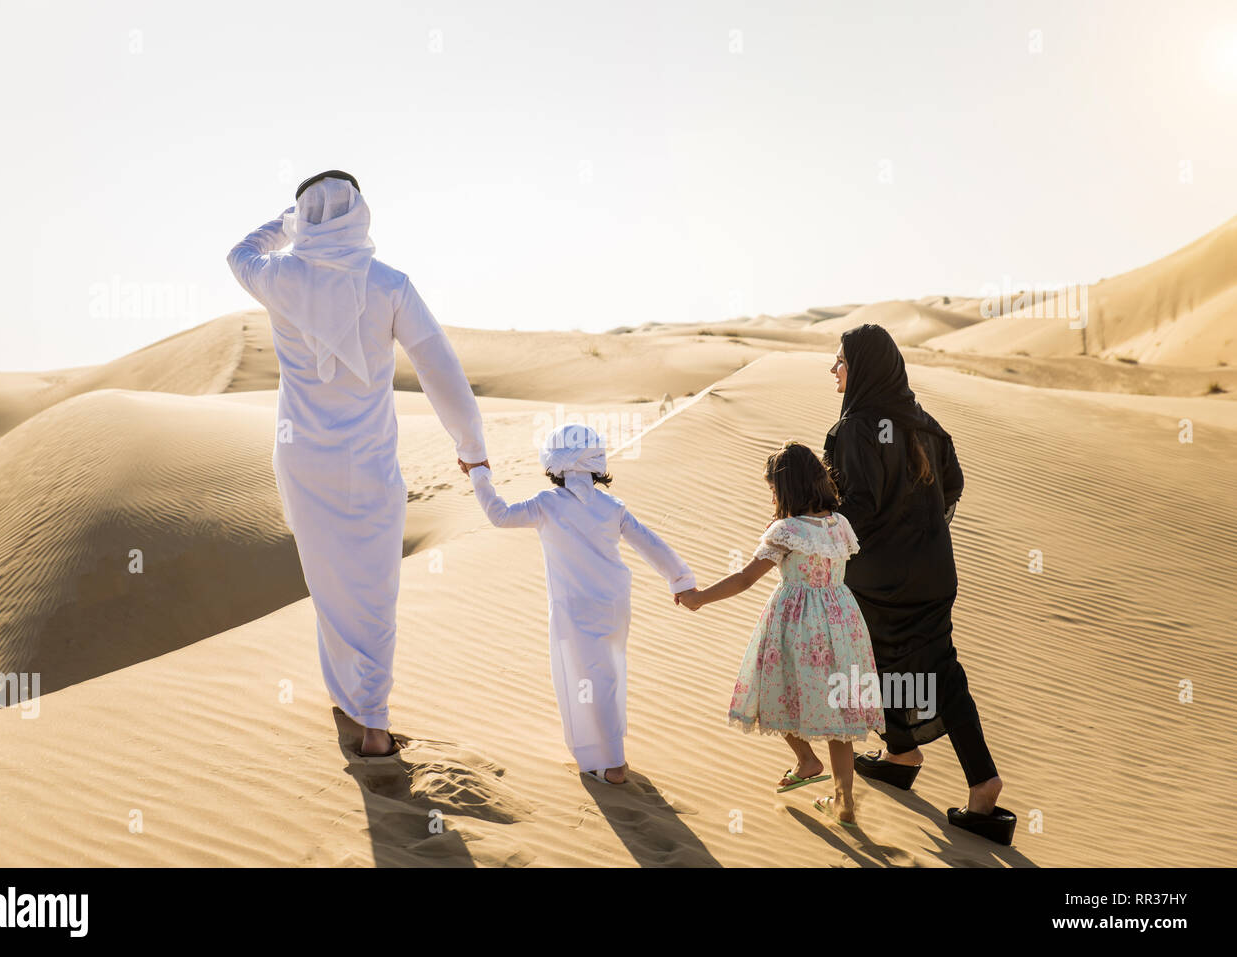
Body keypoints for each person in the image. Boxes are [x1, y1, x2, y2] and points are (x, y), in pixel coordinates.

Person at [227, 170, 488, 758]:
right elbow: (438, 366)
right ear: (361, 212)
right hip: (367, 461)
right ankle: (370, 717)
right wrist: (471, 446)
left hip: (302, 461)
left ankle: (355, 703)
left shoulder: (278, 276)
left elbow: (238, 251)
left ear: (305, 216)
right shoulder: (390, 284)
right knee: (373, 587)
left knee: (329, 581)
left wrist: (286, 225)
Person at [823, 323, 1014, 845]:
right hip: (933, 573)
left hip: (878, 581)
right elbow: (952, 485)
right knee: (935, 667)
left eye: (839, 361)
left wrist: (817, 534)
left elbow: (856, 506)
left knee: (870, 659)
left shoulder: (855, 429)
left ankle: (932, 762)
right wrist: (918, 522)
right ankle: (914, 757)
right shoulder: (925, 424)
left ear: (862, 367)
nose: (833, 371)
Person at [465, 424, 695, 785]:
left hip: (575, 608)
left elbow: (500, 515)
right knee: (608, 675)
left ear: (554, 463)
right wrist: (681, 581)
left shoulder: (546, 504)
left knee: (586, 679)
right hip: (615, 603)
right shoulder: (611, 506)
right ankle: (606, 756)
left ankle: (611, 763)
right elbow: (650, 543)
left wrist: (480, 474)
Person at [677, 442, 884, 828]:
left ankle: (806, 759)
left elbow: (744, 578)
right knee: (839, 713)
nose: (772, 496)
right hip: (842, 622)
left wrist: (700, 598)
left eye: (773, 488)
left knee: (774, 689)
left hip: (797, 624)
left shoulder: (786, 530)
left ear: (786, 489)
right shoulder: (840, 524)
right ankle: (844, 802)